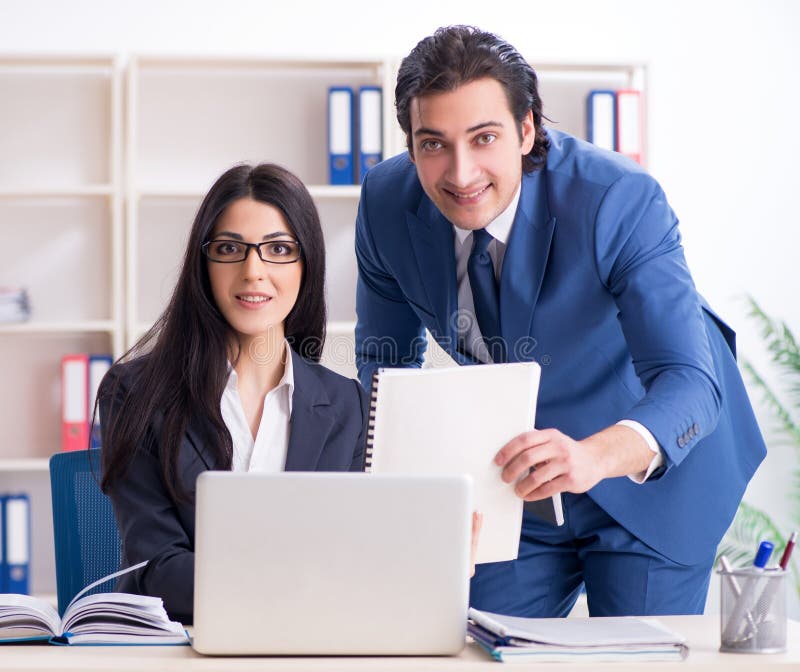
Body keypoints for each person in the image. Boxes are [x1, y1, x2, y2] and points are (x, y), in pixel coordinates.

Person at [354, 25, 767, 617]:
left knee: (630, 655)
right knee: (471, 637)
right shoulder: (387, 202)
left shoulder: (617, 199)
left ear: (527, 130)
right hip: (516, 479)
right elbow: (385, 367)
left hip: (651, 476)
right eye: (433, 143)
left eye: (484, 137)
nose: (461, 173)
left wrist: (594, 457)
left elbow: (688, 381)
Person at [99, 163, 368, 624]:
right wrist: (302, 583)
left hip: (306, 648)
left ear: (308, 264)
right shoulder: (134, 393)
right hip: (182, 647)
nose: (253, 271)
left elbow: (358, 554)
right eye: (229, 249)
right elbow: (158, 569)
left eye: (279, 249)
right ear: (203, 265)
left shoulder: (349, 406)